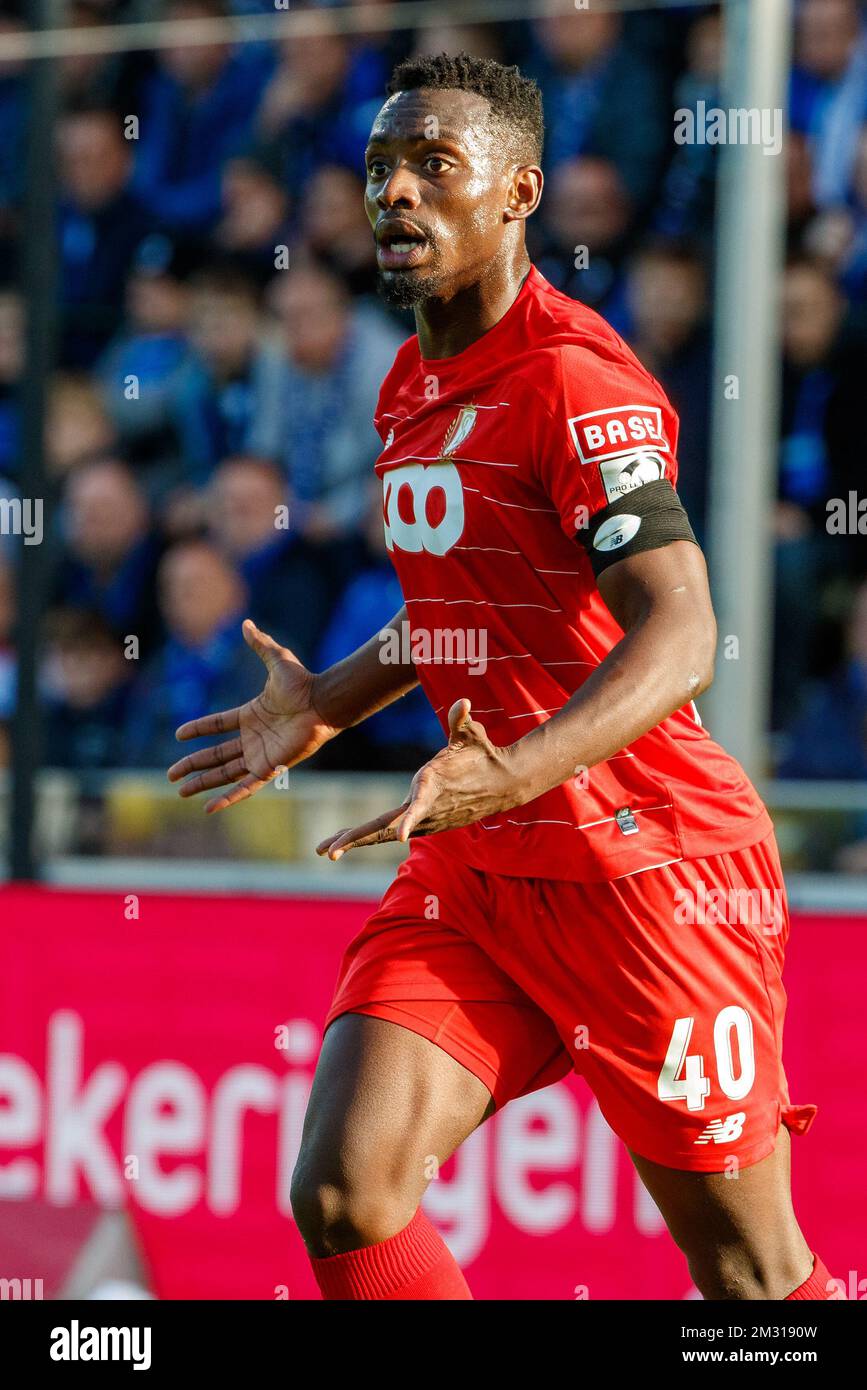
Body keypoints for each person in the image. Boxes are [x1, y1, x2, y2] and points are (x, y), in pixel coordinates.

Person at [168, 53, 842, 1302]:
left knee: (754, 1277)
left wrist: (517, 769)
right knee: (346, 1189)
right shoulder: (408, 385)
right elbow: (472, 605)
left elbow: (684, 630)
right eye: (381, 169)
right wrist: (331, 700)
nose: (399, 195)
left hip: (646, 872)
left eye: (436, 167)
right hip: (480, 872)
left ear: (521, 190)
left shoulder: (572, 379)